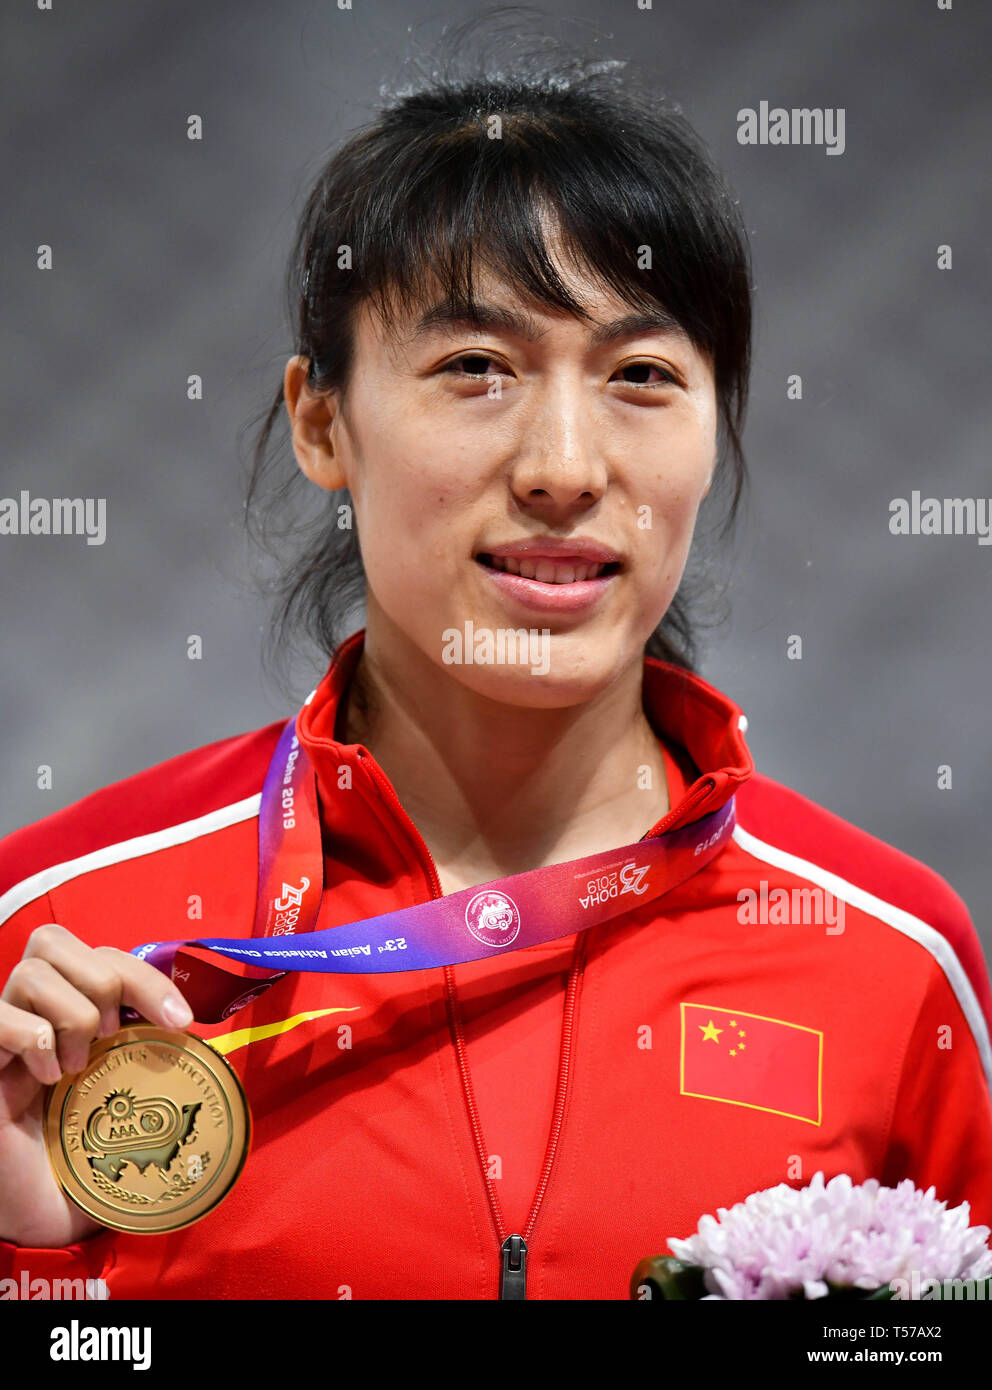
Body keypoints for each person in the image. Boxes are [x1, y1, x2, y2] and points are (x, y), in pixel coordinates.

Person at [1, 57, 991, 1302]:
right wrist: (34, 1266)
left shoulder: (892, 956)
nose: (564, 467)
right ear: (321, 423)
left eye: (641, 376)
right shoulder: (55, 935)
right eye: (476, 366)